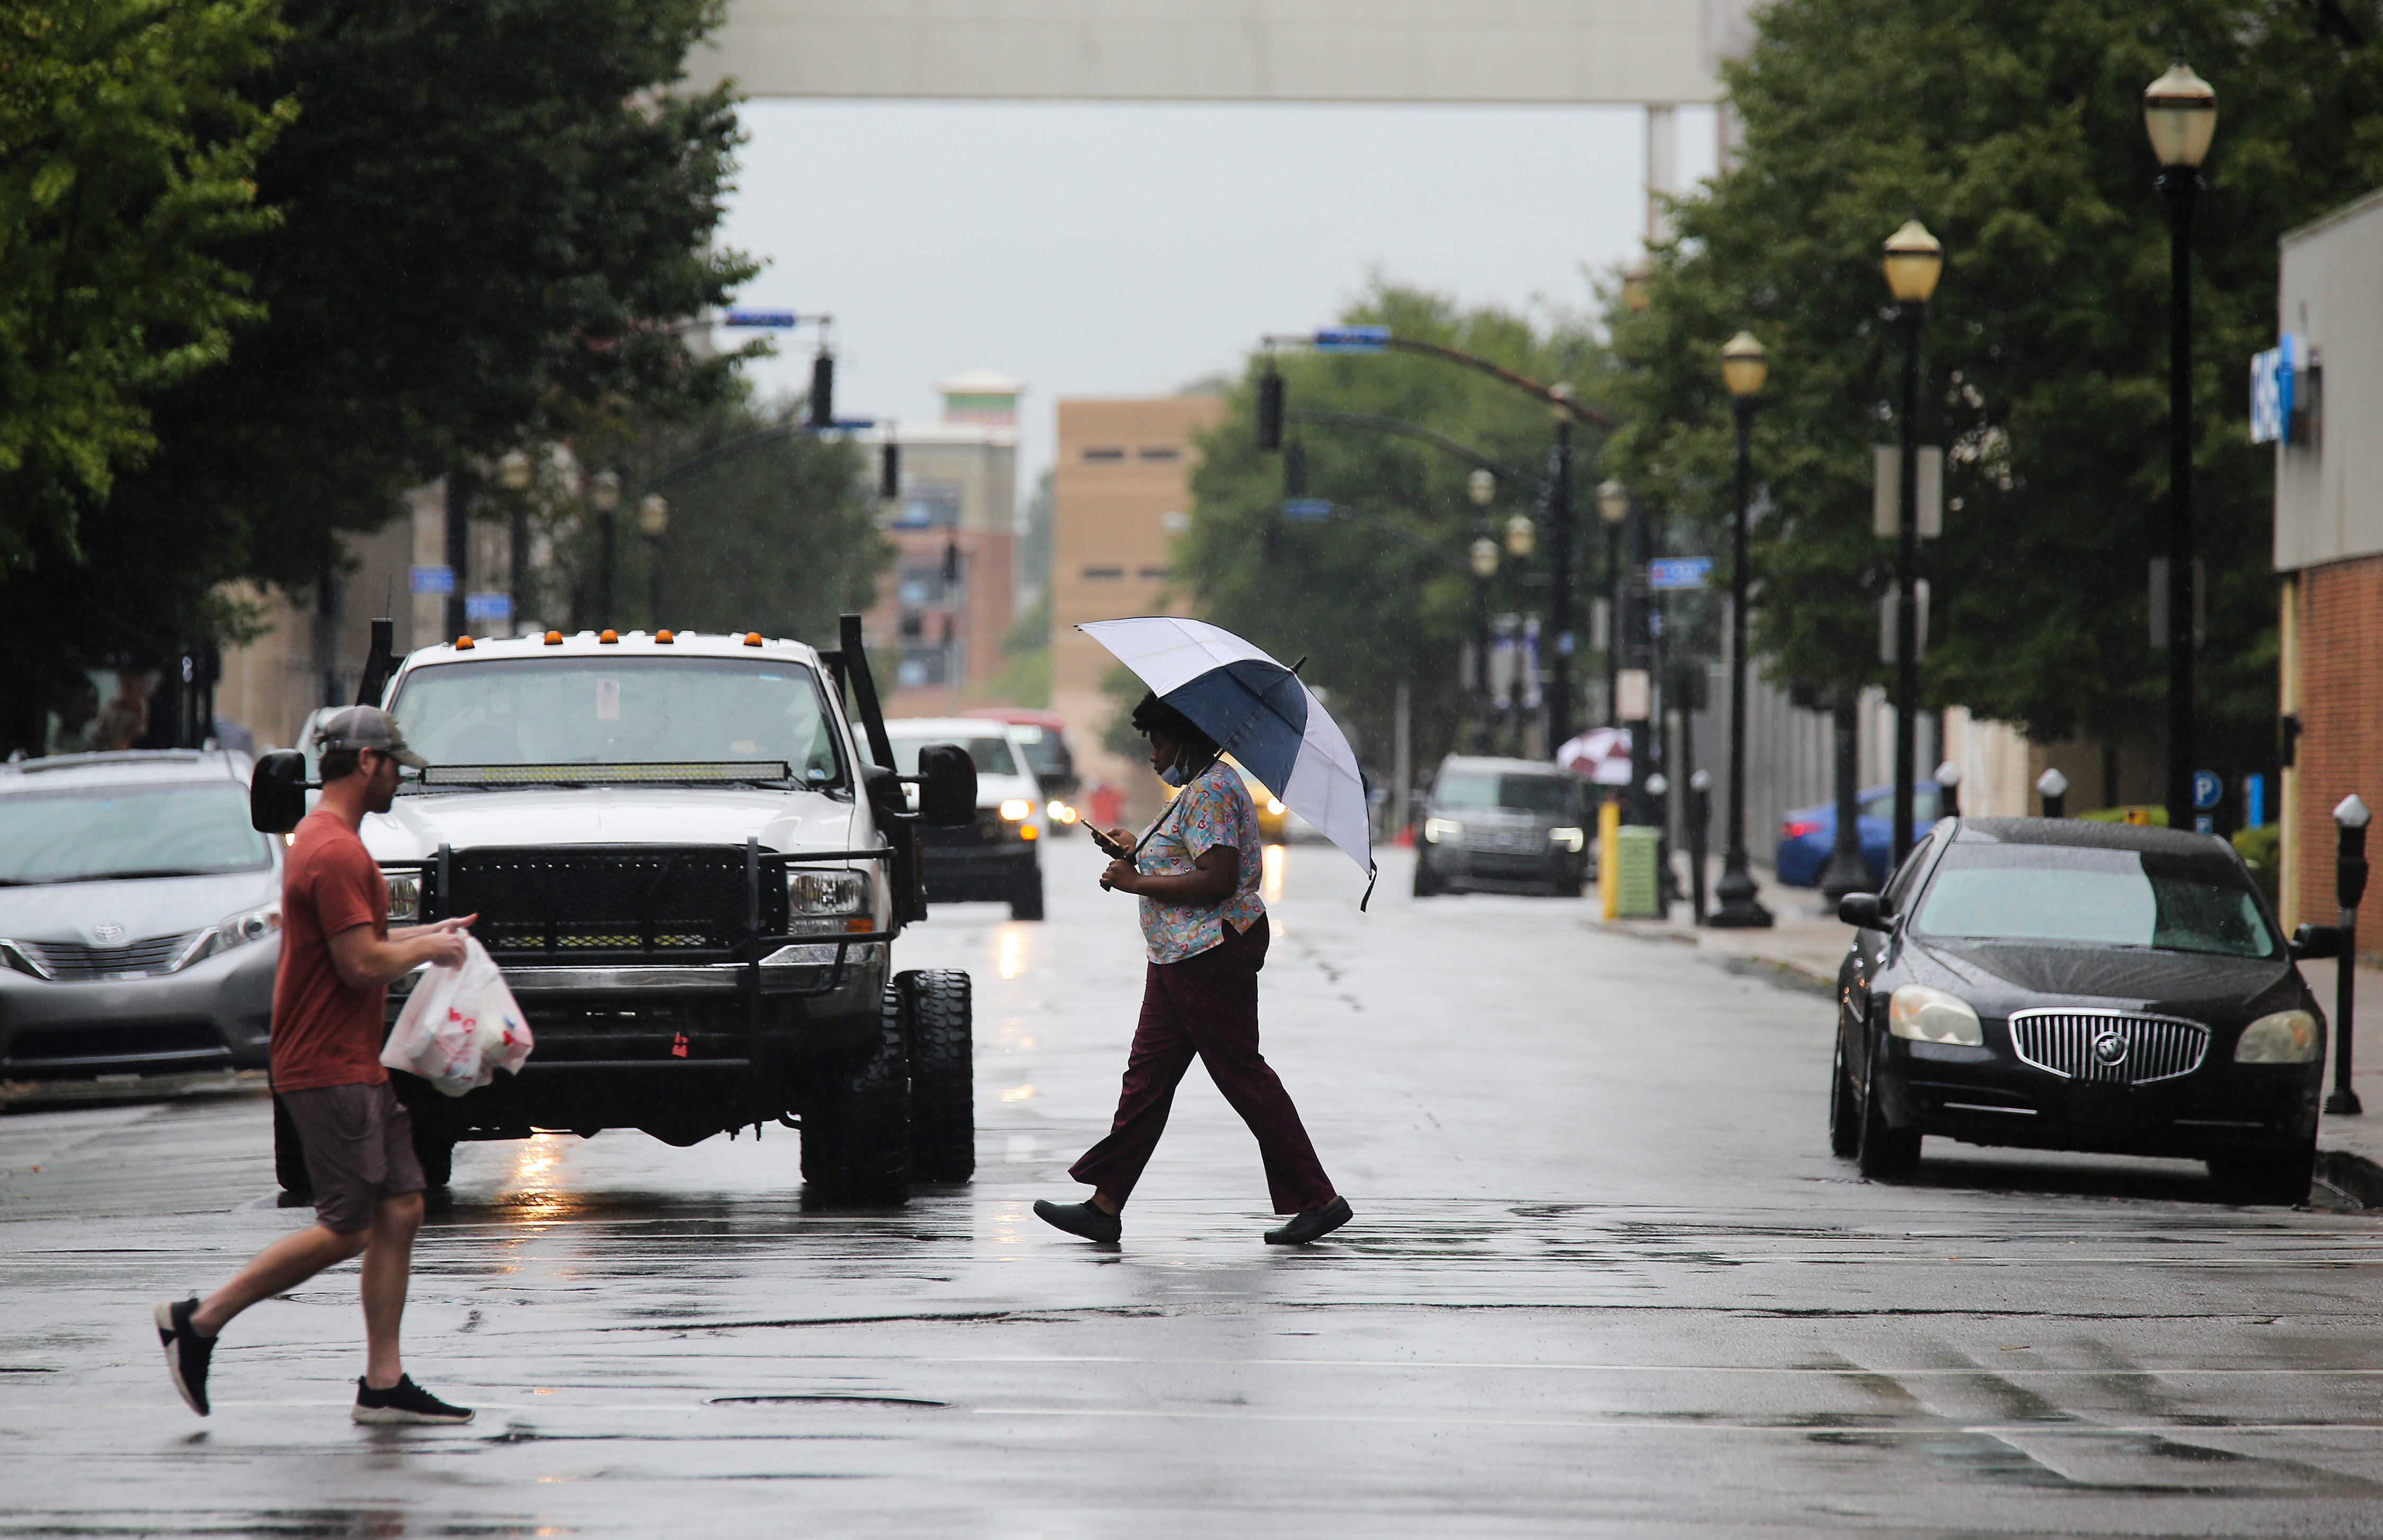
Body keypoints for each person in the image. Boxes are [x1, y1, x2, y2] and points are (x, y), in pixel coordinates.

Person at [154, 707, 481, 1424]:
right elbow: (361, 962)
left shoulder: (333, 844)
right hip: (326, 1065)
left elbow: (367, 937)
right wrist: (431, 952)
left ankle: (383, 1383)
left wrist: (429, 933)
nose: (400, 777)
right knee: (350, 1225)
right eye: (396, 764)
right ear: (366, 761)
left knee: (402, 1206)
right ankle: (198, 1322)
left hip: (354, 1060)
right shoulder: (333, 851)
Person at [1034, 693, 1351, 1247]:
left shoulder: (1210, 790)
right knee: (1147, 1080)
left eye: (1158, 742)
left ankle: (1319, 1199)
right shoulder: (1199, 787)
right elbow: (1185, 857)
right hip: (1178, 955)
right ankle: (1105, 1206)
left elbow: (1218, 878)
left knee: (1241, 1075)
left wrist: (1136, 881)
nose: (1154, 756)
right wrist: (1136, 849)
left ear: (1184, 736)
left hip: (1208, 953)